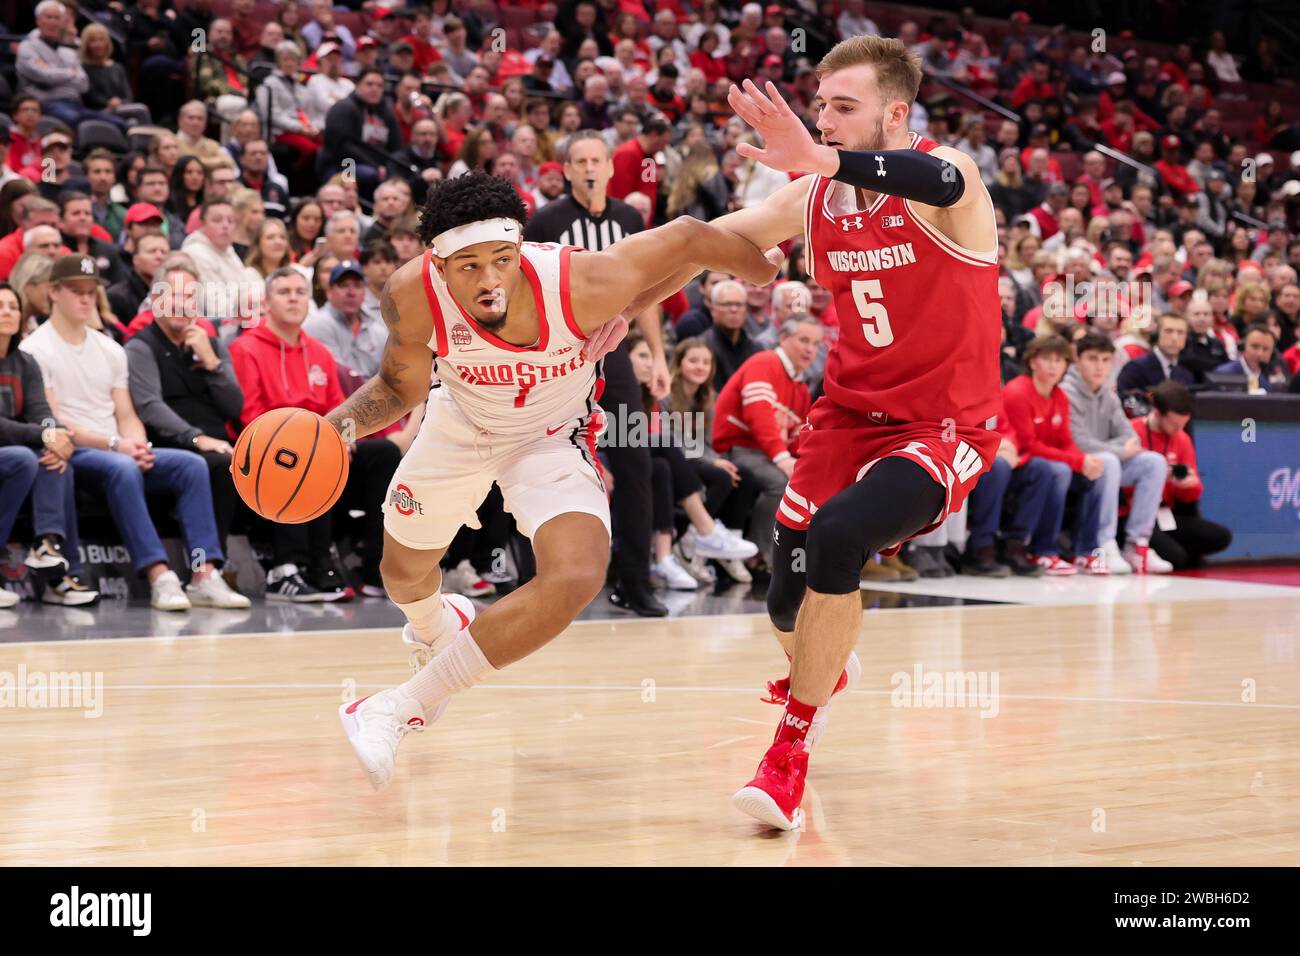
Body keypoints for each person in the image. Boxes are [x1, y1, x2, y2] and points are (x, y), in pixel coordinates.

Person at [325, 171, 777, 789]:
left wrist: (759, 270)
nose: (488, 280)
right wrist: (335, 429)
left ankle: (398, 705)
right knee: (401, 575)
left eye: (501, 260)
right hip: (459, 424)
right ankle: (435, 629)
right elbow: (397, 389)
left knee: (577, 574)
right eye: (468, 266)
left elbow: (691, 236)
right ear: (437, 261)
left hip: (550, 436)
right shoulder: (411, 293)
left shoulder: (582, 280)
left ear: (519, 248)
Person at [690, 40, 1007, 830]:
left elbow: (931, 177)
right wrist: (622, 298)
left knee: (839, 537)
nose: (822, 122)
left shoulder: (953, 181)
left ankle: (788, 754)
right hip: (847, 418)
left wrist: (818, 162)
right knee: (784, 591)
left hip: (944, 424)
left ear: (895, 113)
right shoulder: (814, 196)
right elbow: (709, 237)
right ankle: (821, 670)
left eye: (842, 108)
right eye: (820, 105)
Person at [20, 254, 247, 611]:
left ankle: (204, 572)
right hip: (76, 448)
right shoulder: (34, 349)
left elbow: (126, 413)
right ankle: (160, 575)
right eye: (75, 291)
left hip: (117, 447)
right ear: (52, 293)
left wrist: (136, 444)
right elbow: (52, 419)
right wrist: (117, 445)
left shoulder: (109, 348)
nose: (84, 299)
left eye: (90, 291)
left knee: (192, 466)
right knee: (124, 467)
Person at [524, 130, 671, 618]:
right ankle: (537, 580)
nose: (589, 168)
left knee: (636, 461)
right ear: (565, 170)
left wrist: (659, 356)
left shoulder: (630, 219)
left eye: (597, 160)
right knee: (545, 460)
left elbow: (643, 293)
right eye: (579, 161)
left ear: (611, 168)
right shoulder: (546, 221)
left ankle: (635, 580)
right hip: (560, 362)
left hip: (617, 359)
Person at [230, 267, 404, 599]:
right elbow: (249, 416)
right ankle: (292, 568)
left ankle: (374, 567)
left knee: (384, 454)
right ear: (266, 302)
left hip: (319, 444)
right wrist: (310, 437)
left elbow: (341, 410)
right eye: (284, 292)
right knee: (298, 457)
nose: (294, 298)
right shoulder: (246, 348)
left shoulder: (319, 352)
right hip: (269, 452)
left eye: (299, 292)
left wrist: (341, 436)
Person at [124, 257, 247, 568]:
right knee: (221, 464)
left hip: (218, 445)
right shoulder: (140, 347)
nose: (182, 304)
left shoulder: (212, 345)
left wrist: (213, 364)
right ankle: (209, 569)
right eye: (175, 295)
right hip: (170, 446)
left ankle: (289, 567)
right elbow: (149, 406)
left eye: (190, 297)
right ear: (155, 299)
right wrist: (196, 438)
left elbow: (234, 406)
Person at [0, 280, 97, 607]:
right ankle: (53, 567)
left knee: (56, 459)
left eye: (13, 307)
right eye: (0, 307)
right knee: (26, 458)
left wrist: (54, 433)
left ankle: (51, 559)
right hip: (13, 452)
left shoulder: (26, 362)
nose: (7, 313)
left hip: (18, 450)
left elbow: (41, 414)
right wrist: (44, 435)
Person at [710, 317, 820, 564]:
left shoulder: (800, 387)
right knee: (780, 483)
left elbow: (798, 438)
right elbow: (758, 416)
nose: (810, 349)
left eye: (815, 343)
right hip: (735, 448)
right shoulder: (764, 363)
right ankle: (760, 555)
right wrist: (784, 459)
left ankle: (793, 557)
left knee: (807, 483)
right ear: (783, 338)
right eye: (803, 340)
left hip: (763, 452)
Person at [1062, 333, 1174, 574]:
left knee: (1154, 462)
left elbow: (1129, 435)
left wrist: (1119, 449)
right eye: (1092, 359)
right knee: (1110, 461)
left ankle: (1137, 544)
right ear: (1077, 360)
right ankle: (1104, 543)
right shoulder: (1066, 392)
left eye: (1105, 360)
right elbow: (1078, 442)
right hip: (1074, 463)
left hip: (1106, 462)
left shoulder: (1108, 395)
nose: (1099, 366)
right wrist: (1119, 450)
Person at [1131, 381, 1233, 568]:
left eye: (1183, 425)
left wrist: (1189, 485)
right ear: (1157, 413)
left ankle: (1172, 551)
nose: (1179, 430)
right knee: (1178, 557)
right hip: (1136, 515)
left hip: (1166, 515)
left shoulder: (1182, 439)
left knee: (1220, 536)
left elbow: (1193, 492)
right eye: (1175, 425)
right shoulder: (1133, 432)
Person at [304, 259, 387, 380]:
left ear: (364, 292)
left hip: (373, 396)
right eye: (344, 285)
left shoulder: (378, 330)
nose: (351, 292)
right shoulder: (317, 326)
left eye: (357, 286)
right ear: (329, 292)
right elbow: (339, 377)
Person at [1215, 323, 1287, 392]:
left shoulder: (1272, 379)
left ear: (1272, 353)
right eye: (1255, 346)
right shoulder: (1224, 374)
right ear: (1243, 347)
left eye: (1265, 349)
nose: (1259, 354)